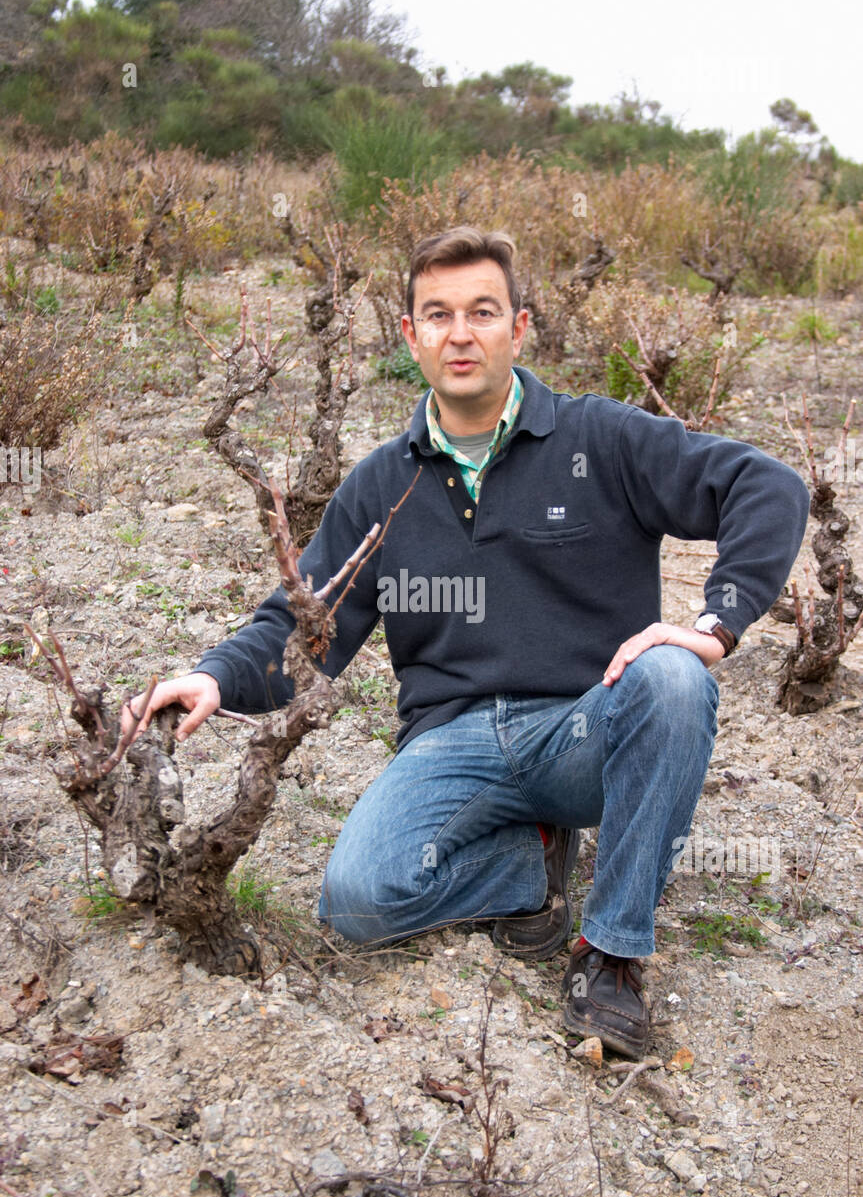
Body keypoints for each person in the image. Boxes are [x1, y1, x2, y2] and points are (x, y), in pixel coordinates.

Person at [125, 226, 810, 1058]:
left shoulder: (602, 439)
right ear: (409, 336)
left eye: (482, 312)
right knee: (358, 900)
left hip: (585, 729)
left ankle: (613, 955)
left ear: (518, 328)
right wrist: (213, 679)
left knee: (672, 680)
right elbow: (303, 631)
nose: (460, 333)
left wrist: (713, 625)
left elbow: (764, 485)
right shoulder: (381, 484)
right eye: (437, 314)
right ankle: (532, 861)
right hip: (451, 743)